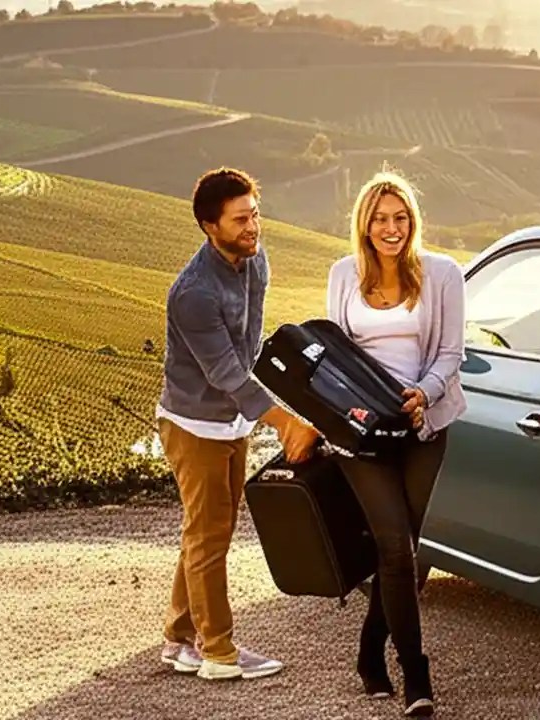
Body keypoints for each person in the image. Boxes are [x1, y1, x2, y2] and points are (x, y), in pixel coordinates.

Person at [155, 167, 320, 681]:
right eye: (240, 219)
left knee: (211, 531)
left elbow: (251, 346)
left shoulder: (255, 260)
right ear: (210, 226)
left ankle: (180, 638)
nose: (253, 226)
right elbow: (225, 370)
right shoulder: (193, 293)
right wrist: (286, 424)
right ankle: (219, 651)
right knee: (209, 535)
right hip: (194, 424)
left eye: (255, 214)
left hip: (231, 420)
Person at [324, 170, 466, 716]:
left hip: (422, 425)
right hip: (362, 434)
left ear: (413, 222)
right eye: (381, 219)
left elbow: (451, 353)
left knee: (406, 549)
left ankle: (368, 647)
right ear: (365, 224)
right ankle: (417, 674)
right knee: (393, 547)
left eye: (401, 218)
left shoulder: (443, 273)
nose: (392, 229)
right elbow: (332, 354)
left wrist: (425, 393)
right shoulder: (342, 275)